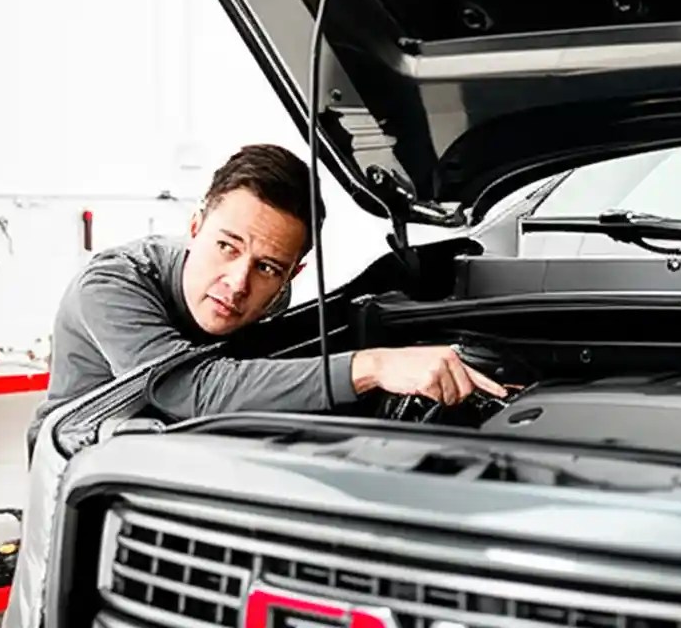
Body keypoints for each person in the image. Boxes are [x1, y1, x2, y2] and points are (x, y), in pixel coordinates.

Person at [25, 143, 506, 454]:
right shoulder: (111, 286)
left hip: (179, 455)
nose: (238, 283)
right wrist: (375, 365)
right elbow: (193, 391)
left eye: (268, 268)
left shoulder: (272, 292)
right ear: (195, 226)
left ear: (292, 274)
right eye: (227, 246)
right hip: (77, 466)